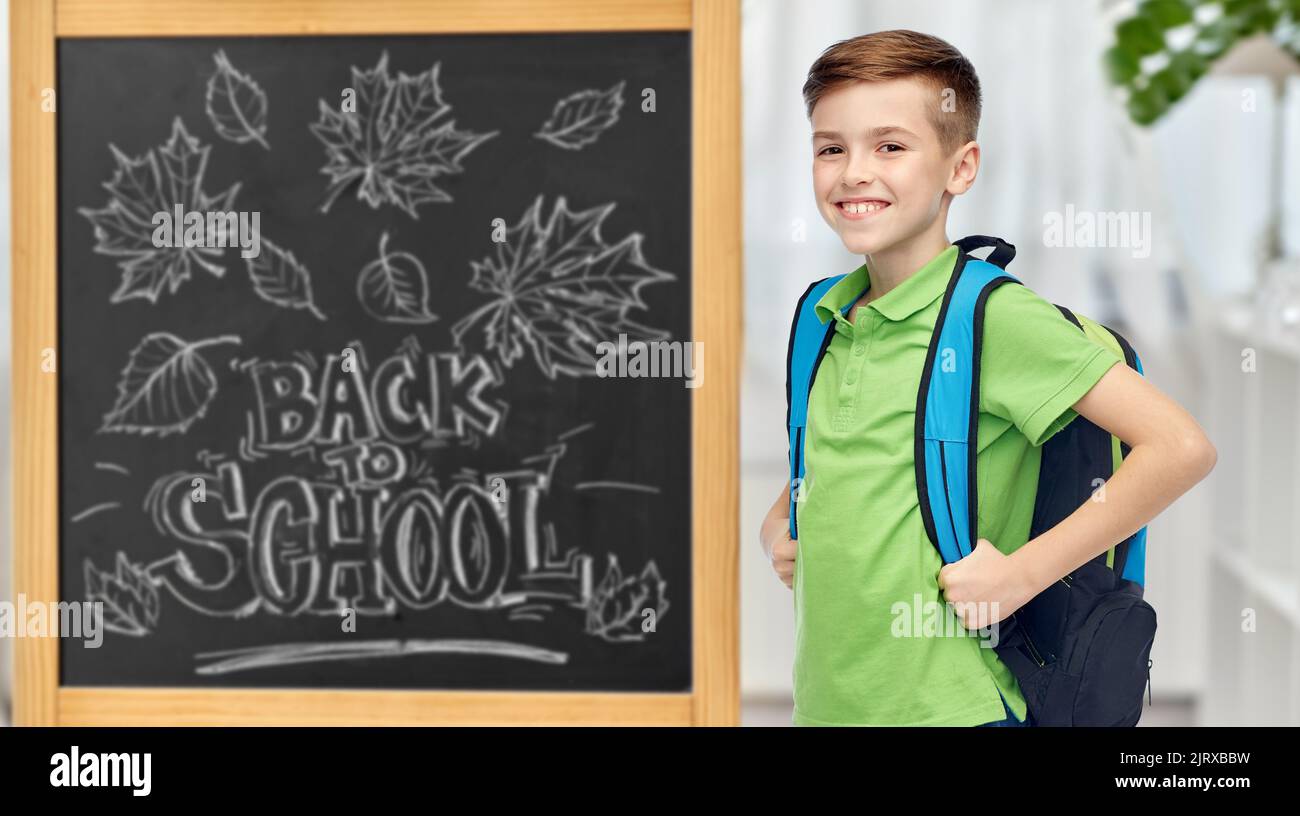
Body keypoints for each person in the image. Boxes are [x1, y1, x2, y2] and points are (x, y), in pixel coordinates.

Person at [758, 30, 1217, 726]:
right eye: (831, 147)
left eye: (890, 146)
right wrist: (777, 528)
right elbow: (838, 467)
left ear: (960, 167)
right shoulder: (820, 316)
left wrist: (1021, 574)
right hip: (829, 705)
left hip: (957, 709)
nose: (853, 171)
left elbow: (1181, 447)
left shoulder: (993, 319)